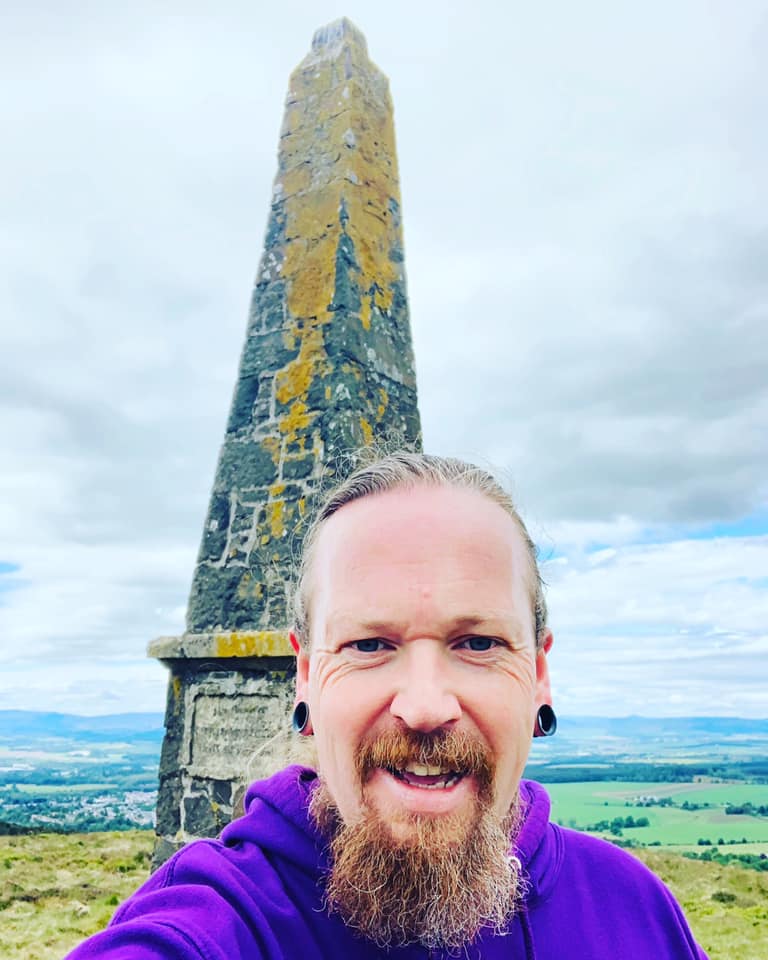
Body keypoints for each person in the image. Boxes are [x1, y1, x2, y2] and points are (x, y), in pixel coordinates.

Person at [65, 452, 707, 959]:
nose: (425, 706)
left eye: (478, 642)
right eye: (368, 643)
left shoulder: (635, 912)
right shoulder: (214, 925)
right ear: (308, 677)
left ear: (538, 673)